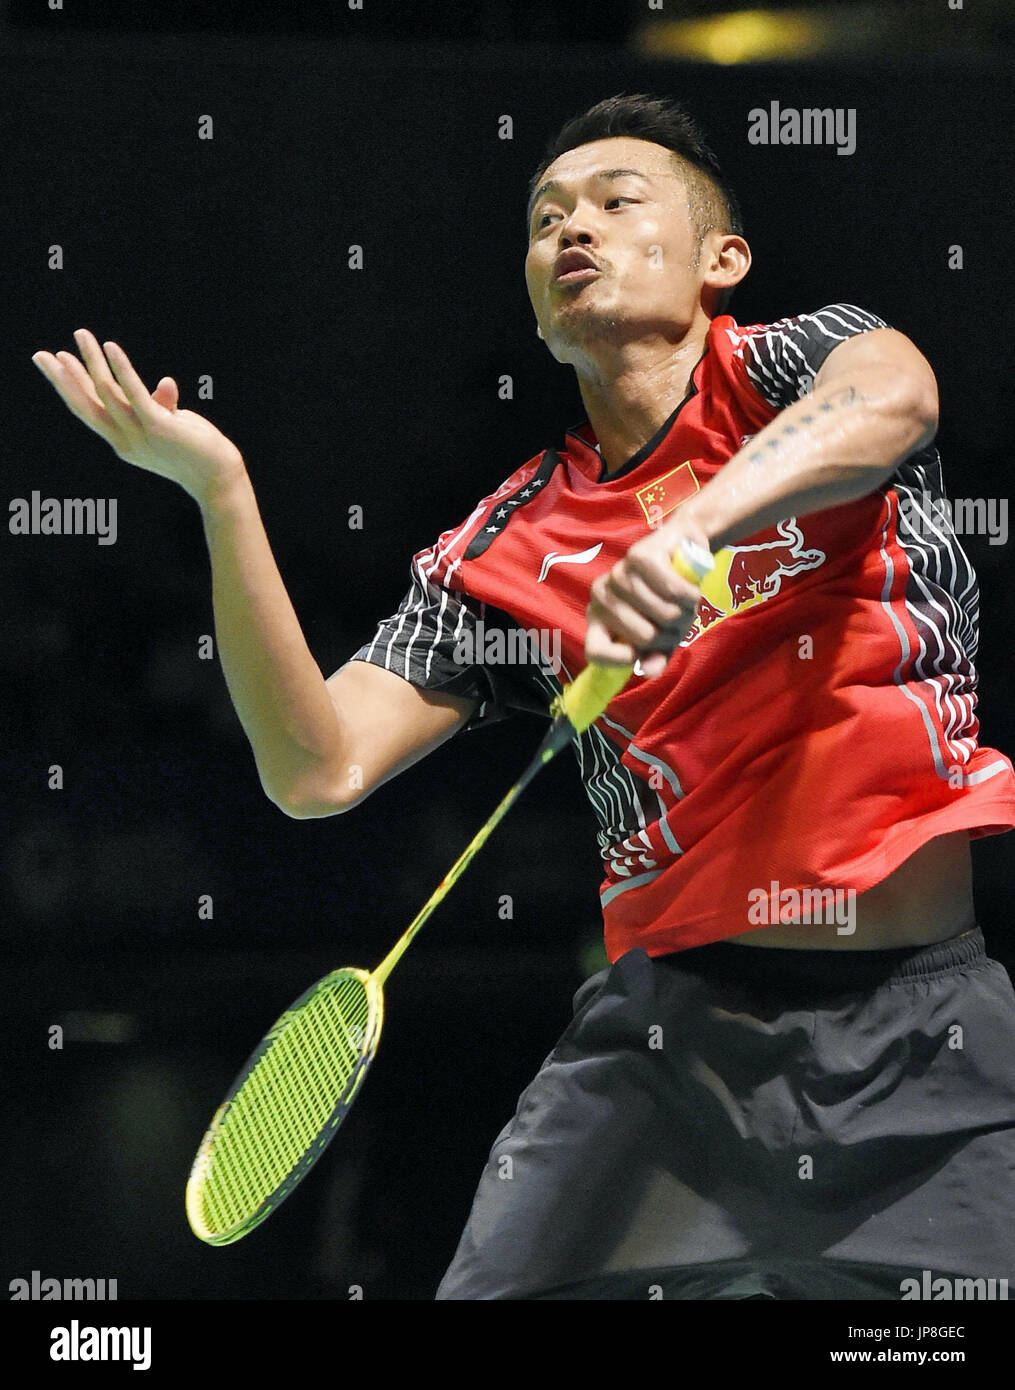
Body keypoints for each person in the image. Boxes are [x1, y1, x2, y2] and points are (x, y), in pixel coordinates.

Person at [32, 92, 1015, 1301]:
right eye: (546, 220)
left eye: (615, 202)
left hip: (930, 1040)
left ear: (723, 259)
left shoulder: (802, 365)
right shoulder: (507, 545)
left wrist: (691, 533)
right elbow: (314, 768)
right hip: (665, 1058)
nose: (573, 231)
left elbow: (897, 403)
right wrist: (221, 494)